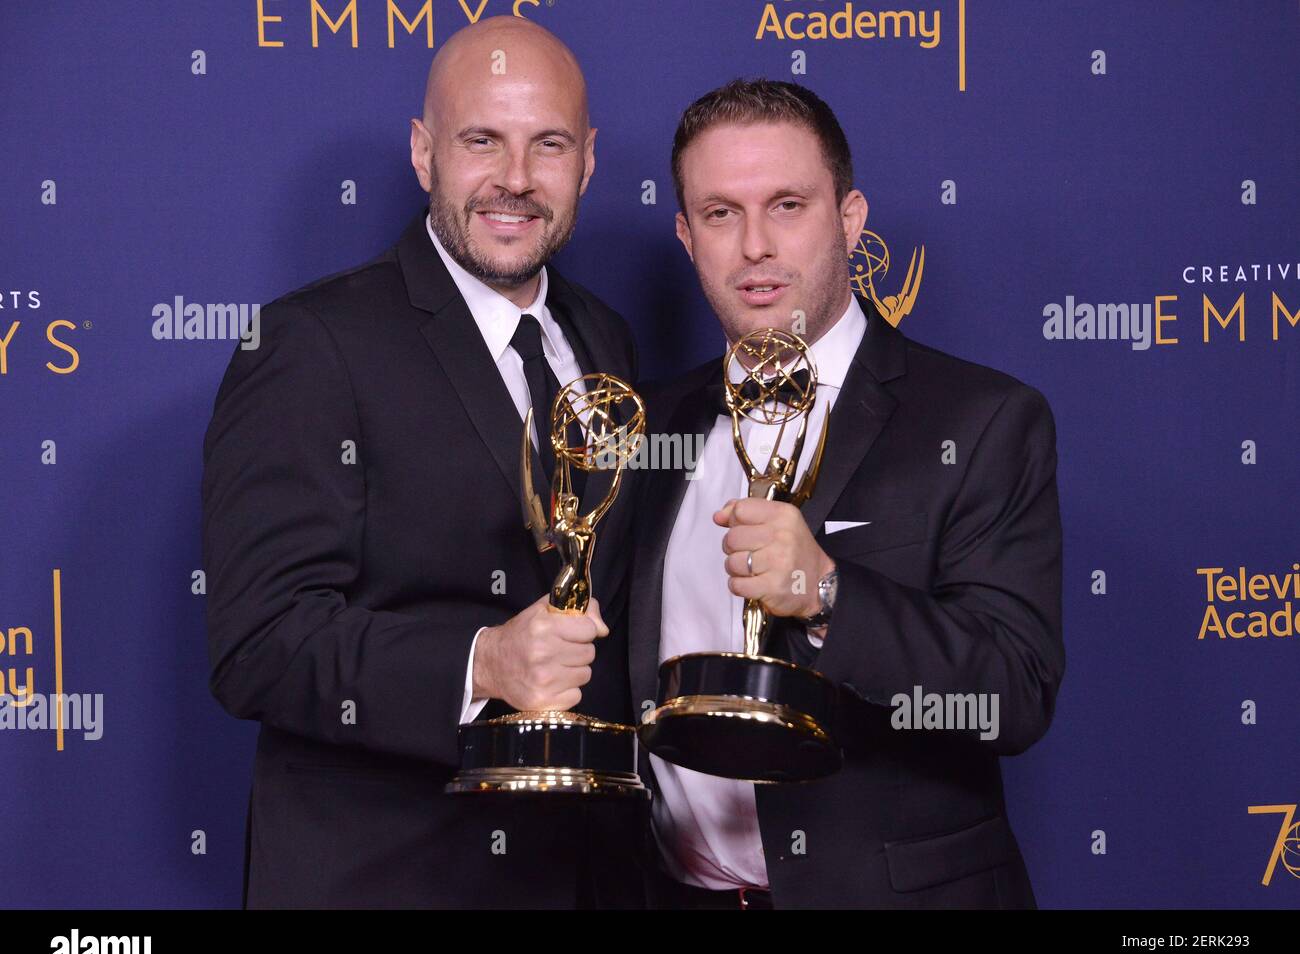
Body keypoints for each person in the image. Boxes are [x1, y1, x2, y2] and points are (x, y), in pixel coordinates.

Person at [201, 16, 642, 908]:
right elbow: (258, 643)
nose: (516, 180)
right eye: (483, 140)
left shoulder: (605, 339)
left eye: (547, 144)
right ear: (423, 152)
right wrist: (482, 662)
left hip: (581, 876)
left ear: (588, 161)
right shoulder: (310, 343)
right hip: (387, 880)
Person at [630, 79, 1065, 909]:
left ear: (851, 218)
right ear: (687, 235)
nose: (755, 245)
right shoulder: (650, 428)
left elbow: (1012, 695)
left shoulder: (981, 420)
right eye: (720, 214)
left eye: (787, 204)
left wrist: (828, 594)